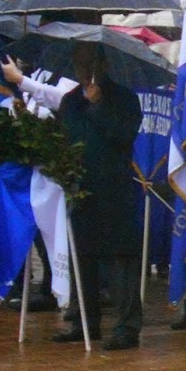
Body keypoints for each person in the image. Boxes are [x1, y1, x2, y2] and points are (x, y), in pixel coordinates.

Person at [51, 44, 145, 350]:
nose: (84, 70)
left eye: (89, 63)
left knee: (121, 261)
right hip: (80, 189)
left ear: (103, 64)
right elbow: (62, 140)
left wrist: (99, 106)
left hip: (114, 189)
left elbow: (124, 135)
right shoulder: (69, 101)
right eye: (79, 64)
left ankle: (127, 326)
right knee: (83, 258)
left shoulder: (124, 98)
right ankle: (84, 322)